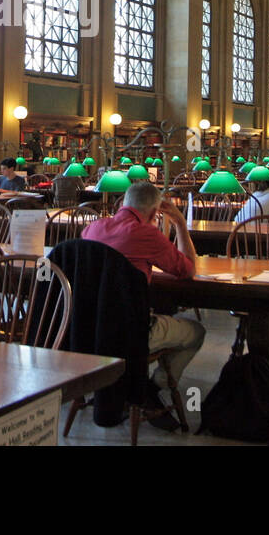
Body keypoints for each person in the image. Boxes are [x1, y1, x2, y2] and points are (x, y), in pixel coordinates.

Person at [82, 180, 204, 430]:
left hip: (89, 332)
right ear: (154, 212)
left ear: (124, 203)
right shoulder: (148, 235)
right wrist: (180, 223)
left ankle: (119, 382)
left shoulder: (92, 229)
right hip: (130, 335)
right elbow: (188, 270)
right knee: (196, 332)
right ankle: (150, 388)